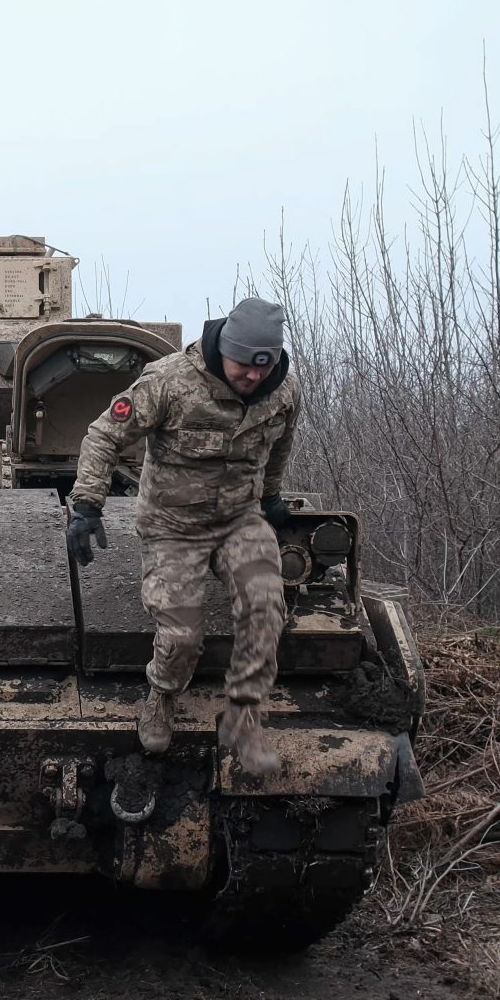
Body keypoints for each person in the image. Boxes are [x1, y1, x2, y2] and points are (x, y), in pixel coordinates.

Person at [67, 295, 299, 775]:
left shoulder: (283, 391)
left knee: (266, 609)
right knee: (183, 633)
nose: (252, 377)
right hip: (173, 526)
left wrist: (272, 497)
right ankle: (162, 697)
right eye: (243, 365)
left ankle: (244, 714)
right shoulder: (170, 381)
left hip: (240, 519)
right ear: (224, 348)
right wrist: (87, 504)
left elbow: (280, 447)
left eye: (264, 366)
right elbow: (104, 434)